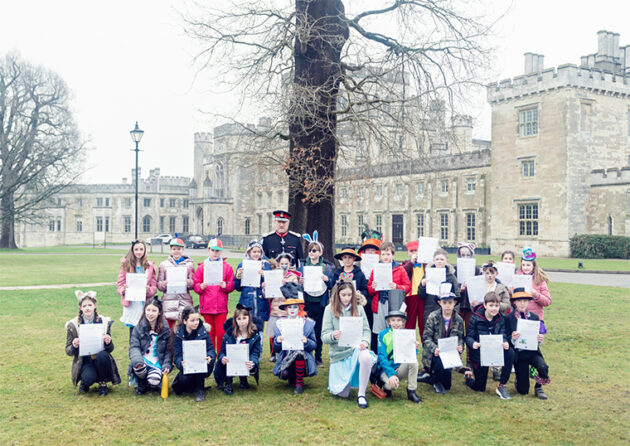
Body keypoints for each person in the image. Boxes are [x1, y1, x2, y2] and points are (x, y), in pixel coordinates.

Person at [322, 282, 376, 409]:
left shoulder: (359, 308)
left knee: (366, 357)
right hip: (339, 353)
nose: (346, 298)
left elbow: (366, 330)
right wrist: (333, 336)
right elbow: (324, 336)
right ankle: (344, 380)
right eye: (343, 295)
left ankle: (361, 394)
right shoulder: (329, 310)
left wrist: (365, 342)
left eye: (349, 295)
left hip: (356, 348)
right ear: (337, 295)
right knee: (343, 394)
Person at [65, 290, 121, 396]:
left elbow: (110, 349)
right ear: (80, 308)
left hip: (100, 357)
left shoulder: (104, 321)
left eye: (90, 305)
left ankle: (103, 383)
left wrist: (108, 342)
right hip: (85, 360)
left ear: (95, 306)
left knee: (103, 356)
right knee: (89, 377)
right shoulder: (73, 325)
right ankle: (85, 383)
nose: (87, 308)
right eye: (84, 305)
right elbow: (68, 351)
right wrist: (74, 346)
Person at [464, 292, 515, 399]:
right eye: (491, 305)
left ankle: (502, 384)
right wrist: (473, 344)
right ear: (485, 305)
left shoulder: (501, 318)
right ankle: (468, 377)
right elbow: (468, 337)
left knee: (510, 352)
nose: (494, 309)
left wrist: (505, 342)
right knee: (480, 387)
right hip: (480, 353)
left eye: (496, 306)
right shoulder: (475, 318)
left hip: (496, 350)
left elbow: (503, 334)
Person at [272, 283, 317, 394]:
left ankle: (299, 383)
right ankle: (292, 376)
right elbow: (276, 348)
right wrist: (278, 342)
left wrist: (306, 342)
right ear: (286, 309)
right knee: (287, 374)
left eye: (295, 307)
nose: (292, 310)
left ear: (300, 308)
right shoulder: (280, 323)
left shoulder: (307, 323)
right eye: (289, 307)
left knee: (299, 354)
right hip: (286, 355)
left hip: (303, 357)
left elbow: (314, 345)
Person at [193, 238, 235, 355]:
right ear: (208, 250)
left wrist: (226, 286)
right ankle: (210, 356)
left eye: (217, 251)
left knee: (221, 333)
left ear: (221, 252)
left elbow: (232, 285)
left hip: (221, 306)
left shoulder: (227, 267)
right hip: (207, 305)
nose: (215, 253)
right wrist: (200, 287)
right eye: (213, 250)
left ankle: (220, 356)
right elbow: (196, 283)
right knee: (209, 333)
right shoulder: (202, 267)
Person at [506, 288, 550, 399]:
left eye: (525, 300)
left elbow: (538, 335)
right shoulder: (508, 318)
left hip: (532, 352)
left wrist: (540, 339)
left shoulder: (535, 317)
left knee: (543, 367)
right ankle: (519, 379)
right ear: (514, 302)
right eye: (519, 300)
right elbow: (505, 337)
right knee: (523, 391)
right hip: (519, 354)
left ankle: (538, 387)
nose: (522, 303)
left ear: (529, 302)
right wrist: (512, 337)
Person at [367, 242, 411, 353]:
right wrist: (373, 287)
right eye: (383, 254)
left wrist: (397, 286)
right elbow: (370, 290)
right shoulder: (376, 268)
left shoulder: (400, 269)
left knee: (395, 329)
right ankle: (377, 356)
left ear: (393, 255)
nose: (385, 257)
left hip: (394, 304)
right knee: (378, 331)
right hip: (379, 304)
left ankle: (395, 355)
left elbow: (407, 287)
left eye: (388, 254)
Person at [421, 286, 465, 394]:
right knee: (440, 364)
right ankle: (434, 380)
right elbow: (426, 337)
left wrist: (460, 347)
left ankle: (430, 378)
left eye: (450, 302)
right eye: (444, 303)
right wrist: (434, 348)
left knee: (447, 386)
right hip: (435, 354)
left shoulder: (458, 319)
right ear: (440, 303)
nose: (447, 306)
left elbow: (460, 338)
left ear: (454, 303)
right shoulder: (433, 316)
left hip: (450, 354)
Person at [372, 310, 422, 403]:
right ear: (389, 322)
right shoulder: (383, 334)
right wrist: (390, 374)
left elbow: (410, 356)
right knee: (393, 386)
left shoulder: (407, 334)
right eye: (393, 320)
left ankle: (411, 390)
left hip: (399, 367)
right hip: (386, 369)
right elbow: (382, 357)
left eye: (399, 320)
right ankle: (384, 384)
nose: (396, 323)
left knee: (414, 362)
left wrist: (415, 349)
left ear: (403, 322)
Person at [300, 233, 335, 366]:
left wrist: (328, 280)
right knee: (306, 330)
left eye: (314, 250)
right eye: (309, 250)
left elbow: (333, 286)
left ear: (320, 252)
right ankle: (305, 356)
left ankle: (318, 357)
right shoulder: (302, 265)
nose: (311, 253)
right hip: (306, 303)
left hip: (320, 303)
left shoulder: (327, 267)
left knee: (319, 330)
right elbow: (296, 284)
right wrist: (300, 281)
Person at [214, 304, 263, 395]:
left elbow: (255, 353)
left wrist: (252, 362)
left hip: (245, 360)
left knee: (248, 361)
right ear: (235, 320)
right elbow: (222, 351)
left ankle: (243, 378)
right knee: (225, 361)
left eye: (244, 318)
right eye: (239, 319)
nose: (242, 321)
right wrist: (222, 358)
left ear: (249, 318)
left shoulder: (255, 336)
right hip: (231, 361)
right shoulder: (229, 334)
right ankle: (228, 382)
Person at [172, 306, 216, 402]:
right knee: (183, 381)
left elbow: (211, 349)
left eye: (197, 319)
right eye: (192, 320)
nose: (196, 322)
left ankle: (200, 389)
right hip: (187, 365)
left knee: (199, 368)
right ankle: (193, 386)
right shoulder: (179, 335)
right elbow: (177, 354)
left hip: (202, 365)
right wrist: (180, 363)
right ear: (185, 321)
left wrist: (210, 357)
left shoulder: (204, 332)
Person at [128, 298, 172, 395]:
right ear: (144, 311)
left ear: (159, 312)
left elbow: (168, 351)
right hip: (143, 359)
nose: (150, 314)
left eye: (154, 311)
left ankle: (152, 382)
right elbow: (134, 347)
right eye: (148, 310)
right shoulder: (138, 327)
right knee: (139, 367)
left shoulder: (165, 329)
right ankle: (142, 383)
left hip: (157, 360)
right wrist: (138, 360)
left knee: (154, 380)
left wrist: (167, 365)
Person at [117, 240, 157, 337]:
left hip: (144, 302)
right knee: (133, 332)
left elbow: (154, 286)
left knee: (145, 330)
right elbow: (120, 284)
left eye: (141, 249)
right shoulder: (126, 265)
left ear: (144, 250)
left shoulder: (150, 266)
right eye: (136, 249)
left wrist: (149, 290)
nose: (139, 252)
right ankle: (133, 350)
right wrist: (123, 289)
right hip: (132, 303)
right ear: (132, 250)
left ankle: (145, 351)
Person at [265, 252, 301, 362]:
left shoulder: (293, 277)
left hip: (287, 310)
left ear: (290, 264)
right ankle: (274, 354)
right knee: (273, 332)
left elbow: (295, 292)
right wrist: (265, 288)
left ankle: (286, 352)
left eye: (286, 263)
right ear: (278, 264)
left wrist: (286, 284)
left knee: (286, 332)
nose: (284, 265)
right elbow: (268, 295)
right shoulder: (273, 274)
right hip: (275, 308)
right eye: (282, 263)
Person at [418, 248, 460, 336]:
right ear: (433, 261)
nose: (439, 261)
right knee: (431, 333)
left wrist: (455, 311)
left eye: (442, 259)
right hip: (430, 308)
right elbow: (421, 295)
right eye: (437, 259)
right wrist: (423, 285)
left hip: (447, 310)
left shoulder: (451, 276)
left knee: (446, 332)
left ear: (446, 261)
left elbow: (457, 294)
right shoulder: (427, 275)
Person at [157, 237, 196, 331]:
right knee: (169, 330)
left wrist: (189, 282)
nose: (176, 251)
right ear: (170, 250)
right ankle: (170, 346)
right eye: (174, 249)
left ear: (183, 249)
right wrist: (163, 284)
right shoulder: (164, 265)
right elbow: (158, 284)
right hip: (169, 301)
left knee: (185, 328)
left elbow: (193, 284)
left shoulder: (189, 265)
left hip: (184, 300)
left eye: (179, 249)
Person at [332, 248, 371, 332]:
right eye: (345, 257)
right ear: (342, 259)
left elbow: (365, 289)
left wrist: (361, 293)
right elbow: (332, 287)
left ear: (354, 259)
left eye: (350, 257)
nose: (347, 260)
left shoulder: (359, 274)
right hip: (340, 303)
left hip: (354, 304)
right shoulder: (337, 273)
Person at [234, 239, 271, 325]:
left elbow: (270, 285)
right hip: (247, 299)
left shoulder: (265, 265)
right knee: (247, 325)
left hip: (261, 300)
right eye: (254, 251)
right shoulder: (242, 265)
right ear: (249, 252)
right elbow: (237, 287)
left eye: (259, 251)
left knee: (259, 325)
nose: (257, 254)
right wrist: (238, 276)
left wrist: (265, 276)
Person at [515, 247, 551, 322]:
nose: (525, 268)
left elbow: (547, 301)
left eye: (528, 265)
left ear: (533, 266)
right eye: (523, 265)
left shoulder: (540, 280)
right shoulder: (517, 278)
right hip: (519, 317)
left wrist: (536, 295)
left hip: (536, 318)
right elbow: (512, 301)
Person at [401, 240, 426, 334]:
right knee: (410, 322)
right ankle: (408, 345)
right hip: (410, 296)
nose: (414, 253)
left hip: (423, 296)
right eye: (411, 251)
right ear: (408, 253)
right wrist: (411, 262)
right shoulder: (406, 263)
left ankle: (426, 345)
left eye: (416, 251)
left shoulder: (425, 264)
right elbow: (403, 272)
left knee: (423, 323)